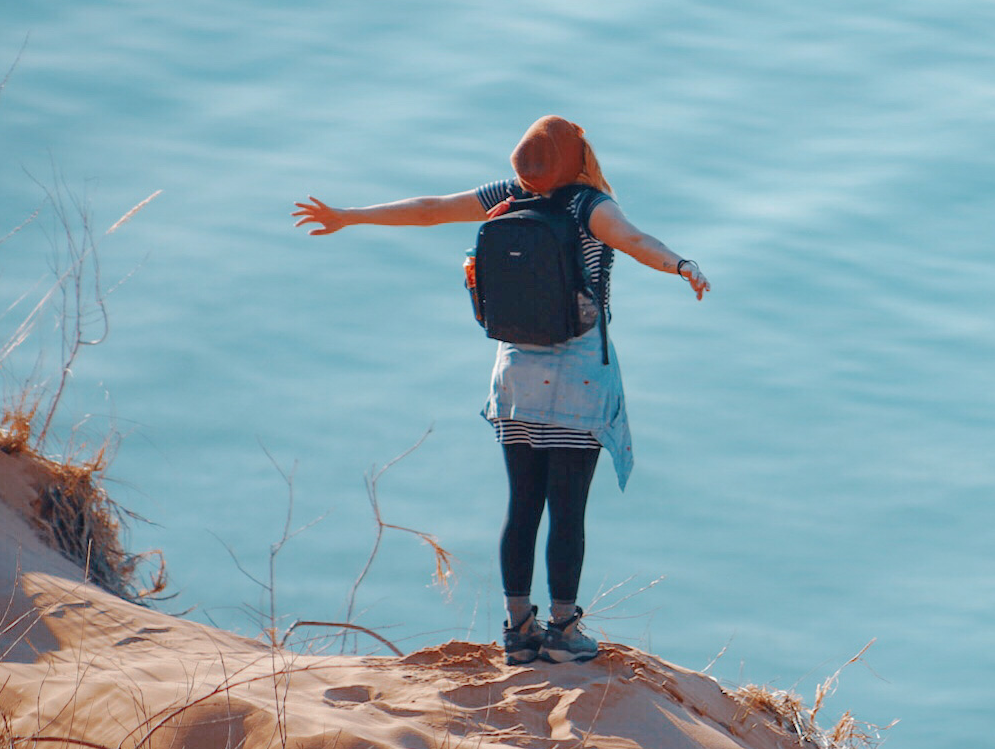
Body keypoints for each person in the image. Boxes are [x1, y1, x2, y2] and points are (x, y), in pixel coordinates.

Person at [292, 116, 710, 666]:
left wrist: (349, 216)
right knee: (568, 509)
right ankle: (563, 628)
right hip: (579, 374)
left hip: (514, 372)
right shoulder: (588, 205)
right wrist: (681, 265)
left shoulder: (507, 194)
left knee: (523, 504)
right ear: (579, 156)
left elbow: (430, 209)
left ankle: (517, 629)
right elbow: (633, 243)